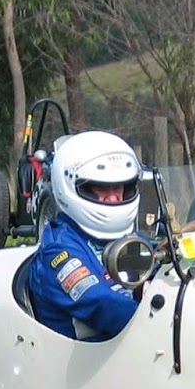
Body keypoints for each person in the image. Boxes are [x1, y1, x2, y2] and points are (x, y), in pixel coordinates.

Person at [28, 130, 144, 341]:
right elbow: (103, 306)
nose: (113, 198)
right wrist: (163, 319)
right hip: (87, 367)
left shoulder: (125, 238)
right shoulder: (59, 251)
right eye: (101, 188)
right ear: (70, 188)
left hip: (130, 356)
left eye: (118, 187)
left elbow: (159, 268)